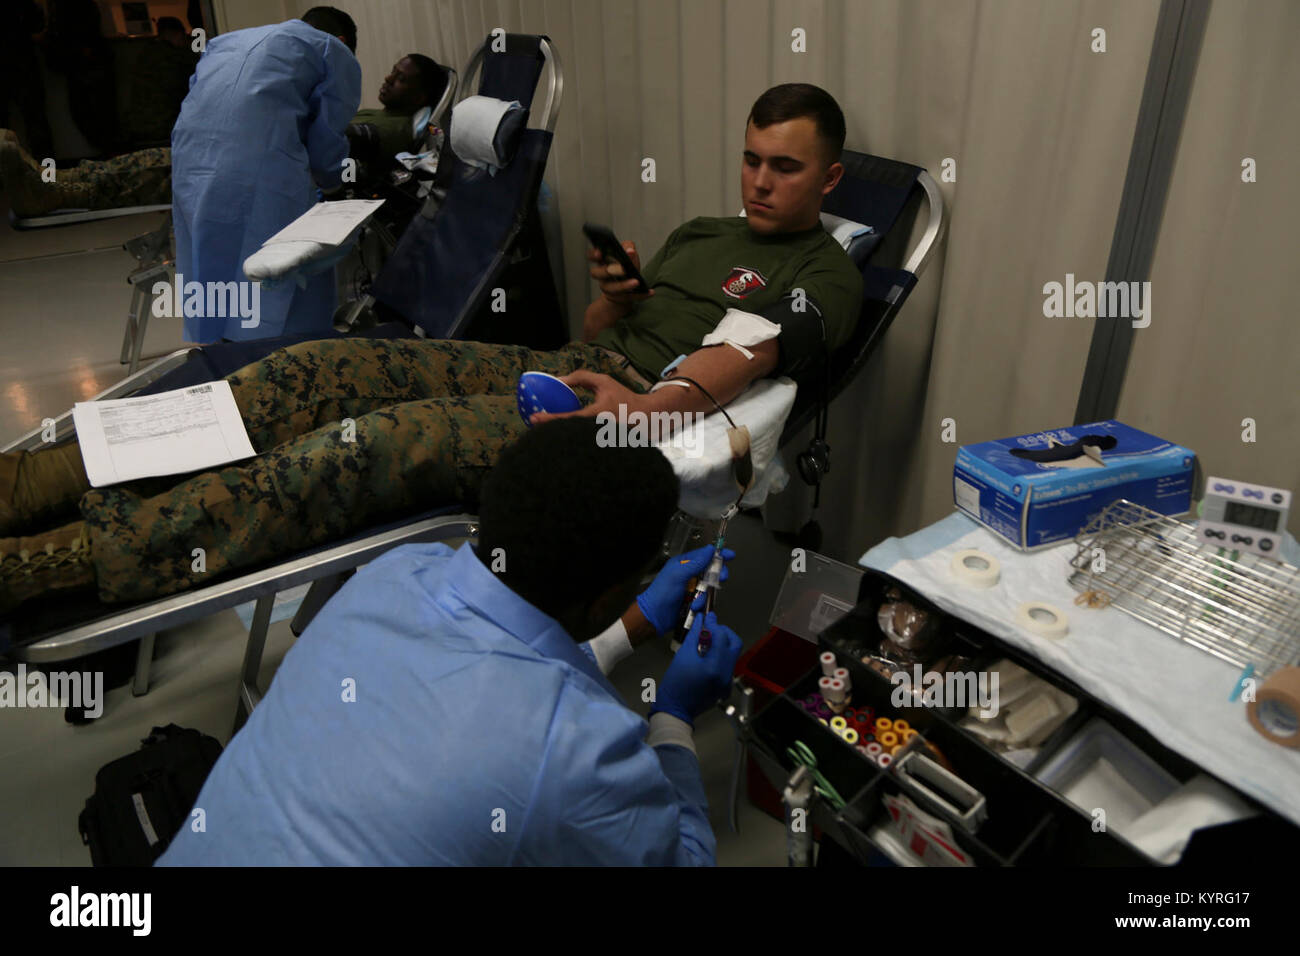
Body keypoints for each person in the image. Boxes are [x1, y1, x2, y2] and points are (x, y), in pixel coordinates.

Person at [0, 83, 863, 615]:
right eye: (750, 160)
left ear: (827, 179)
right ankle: (37, 482)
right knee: (315, 370)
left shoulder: (827, 274)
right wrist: (617, 298)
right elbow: (601, 336)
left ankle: (51, 565)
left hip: (631, 427)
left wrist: (643, 411)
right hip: (573, 371)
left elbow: (746, 357)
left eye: (783, 168)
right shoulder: (704, 231)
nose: (757, 181)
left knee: (372, 444)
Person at [158, 419, 743, 865]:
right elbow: (683, 856)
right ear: (602, 595)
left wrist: (628, 623)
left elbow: (490, 684)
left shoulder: (398, 573)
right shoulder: (581, 753)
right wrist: (673, 716)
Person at [0, 54, 446, 217]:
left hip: (271, 179)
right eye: (391, 73)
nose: (389, 81)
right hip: (264, 164)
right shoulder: (387, 113)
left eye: (402, 80)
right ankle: (48, 181)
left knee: (157, 168)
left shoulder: (391, 126)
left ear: (424, 93)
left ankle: (52, 193)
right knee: (161, 159)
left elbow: (336, 142)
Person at [170, 6, 362, 344]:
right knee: (285, 262)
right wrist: (336, 188)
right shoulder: (332, 49)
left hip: (192, 162)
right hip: (258, 165)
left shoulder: (225, 42)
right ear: (344, 39)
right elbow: (328, 138)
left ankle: (221, 350)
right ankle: (287, 355)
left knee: (211, 254)